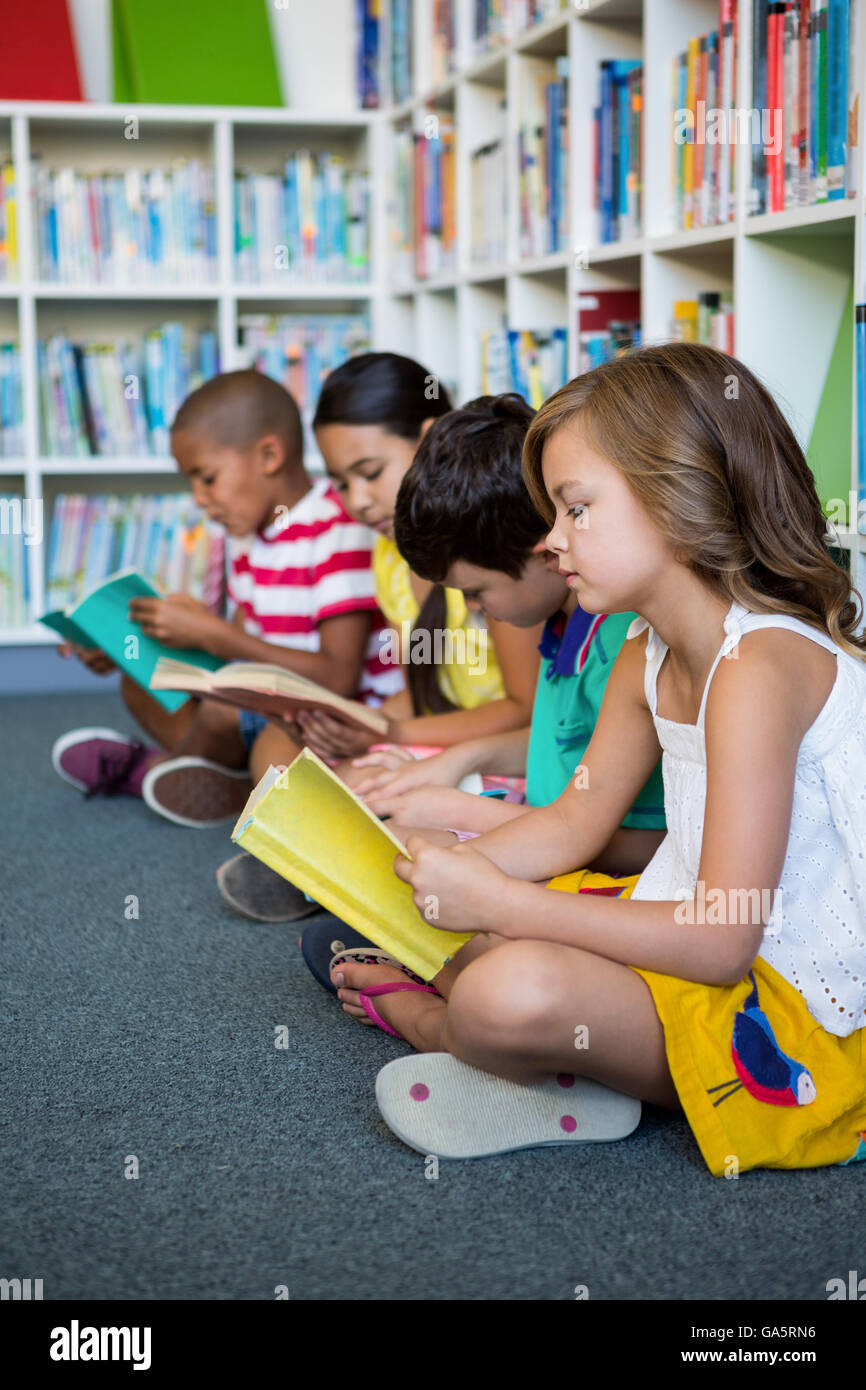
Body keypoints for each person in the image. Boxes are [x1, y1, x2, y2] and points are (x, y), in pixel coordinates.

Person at [330, 341, 866, 1176]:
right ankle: (576, 1072)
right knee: (434, 924)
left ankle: (442, 1032)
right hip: (681, 937)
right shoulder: (645, 649)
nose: (550, 541)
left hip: (789, 1002)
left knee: (505, 991)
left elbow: (726, 942)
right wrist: (423, 870)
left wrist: (501, 901)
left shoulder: (758, 666)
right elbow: (576, 820)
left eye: (574, 510)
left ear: (677, 495)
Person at [51, 369, 394, 828]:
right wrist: (125, 649)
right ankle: (215, 780)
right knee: (141, 681)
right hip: (265, 706)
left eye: (207, 478)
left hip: (326, 721)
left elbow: (337, 676)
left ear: (269, 455)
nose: (199, 499)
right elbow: (238, 644)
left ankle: (154, 771)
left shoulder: (338, 531)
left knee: (222, 710)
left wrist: (215, 636)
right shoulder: (249, 535)